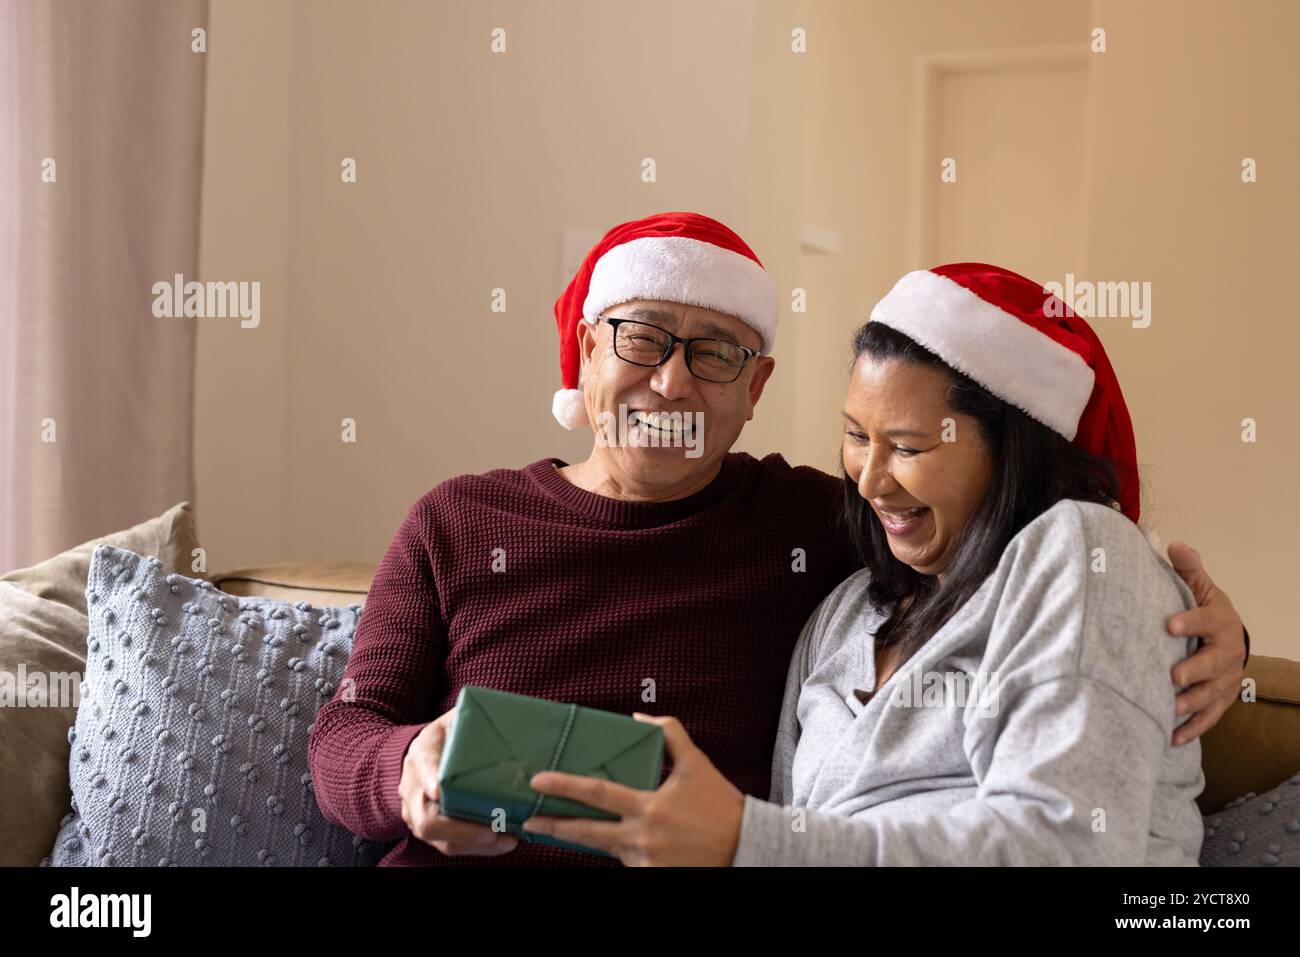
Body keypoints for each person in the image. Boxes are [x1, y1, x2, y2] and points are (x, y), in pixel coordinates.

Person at [307, 216, 1247, 866]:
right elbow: (346, 726)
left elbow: (1059, 580)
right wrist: (404, 774)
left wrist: (1205, 632)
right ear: (588, 351)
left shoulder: (807, 529)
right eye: (642, 339)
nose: (674, 384)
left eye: (716, 353)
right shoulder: (460, 521)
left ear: (755, 390)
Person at [522, 264, 1213, 865]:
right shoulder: (850, 607)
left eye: (908, 447)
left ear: (1013, 454)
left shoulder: (1081, 552)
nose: (870, 480)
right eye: (856, 437)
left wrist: (746, 841)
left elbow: (1068, 848)